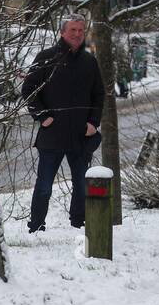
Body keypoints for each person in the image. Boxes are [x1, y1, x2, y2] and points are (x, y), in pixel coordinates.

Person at [22, 16, 105, 232]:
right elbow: (29, 90)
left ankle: (78, 223)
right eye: (73, 30)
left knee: (81, 184)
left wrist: (93, 123)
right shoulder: (46, 57)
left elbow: (98, 95)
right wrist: (42, 116)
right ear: (62, 32)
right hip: (52, 135)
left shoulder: (89, 62)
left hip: (80, 135)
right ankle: (36, 225)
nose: (78, 34)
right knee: (44, 187)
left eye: (81, 30)